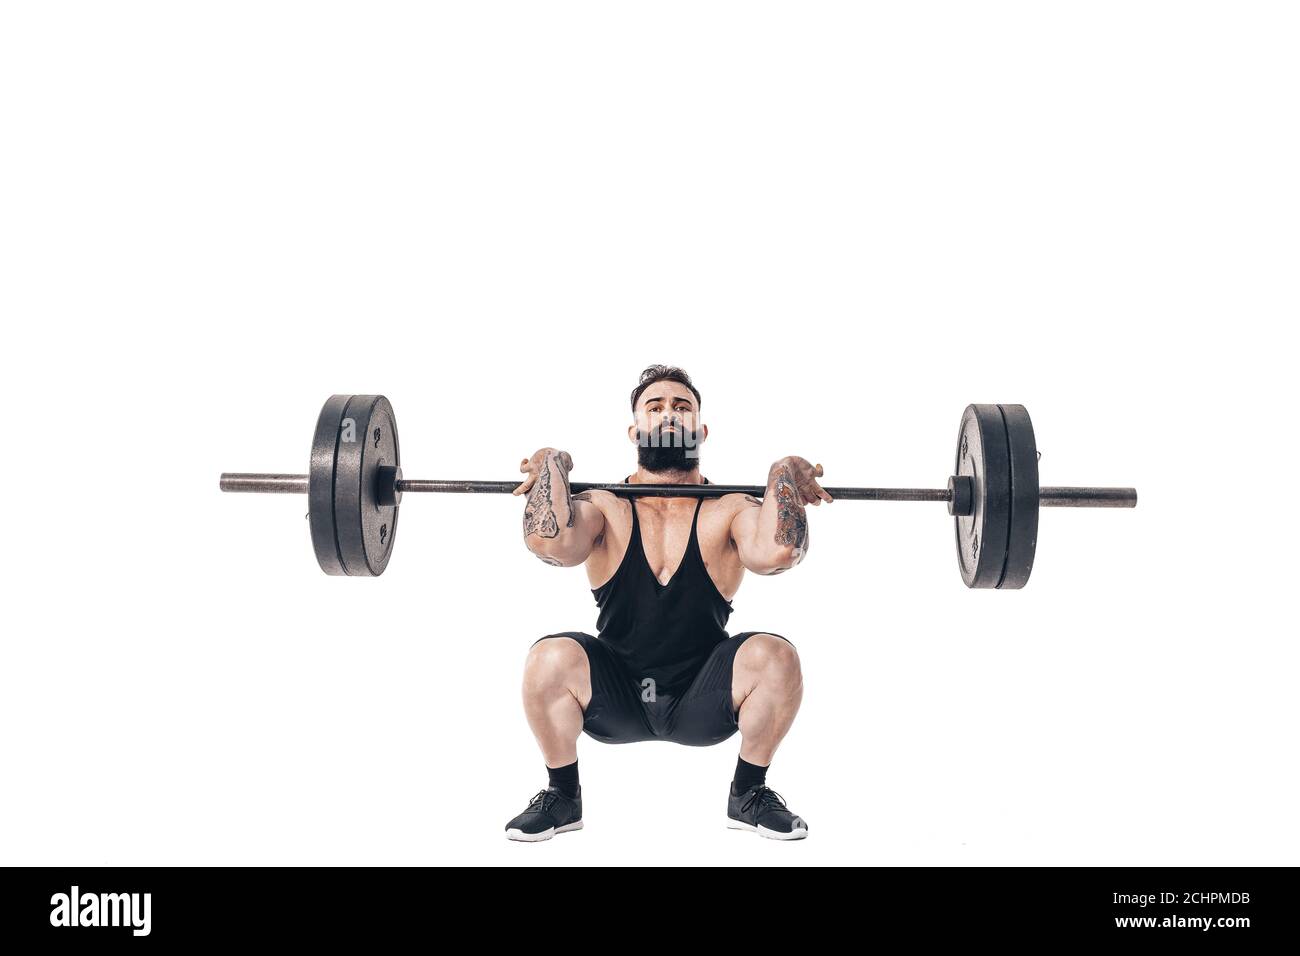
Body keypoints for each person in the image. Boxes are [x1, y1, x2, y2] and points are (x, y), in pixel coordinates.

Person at [505, 365, 829, 841]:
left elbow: (779, 552)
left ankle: (748, 794)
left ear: (701, 429)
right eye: (654, 408)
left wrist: (781, 475)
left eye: (682, 407)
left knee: (776, 657)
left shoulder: (731, 509)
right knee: (548, 658)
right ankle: (562, 795)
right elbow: (549, 544)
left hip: (705, 695)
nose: (669, 415)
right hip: (614, 695)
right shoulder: (605, 507)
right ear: (636, 429)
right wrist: (553, 463)